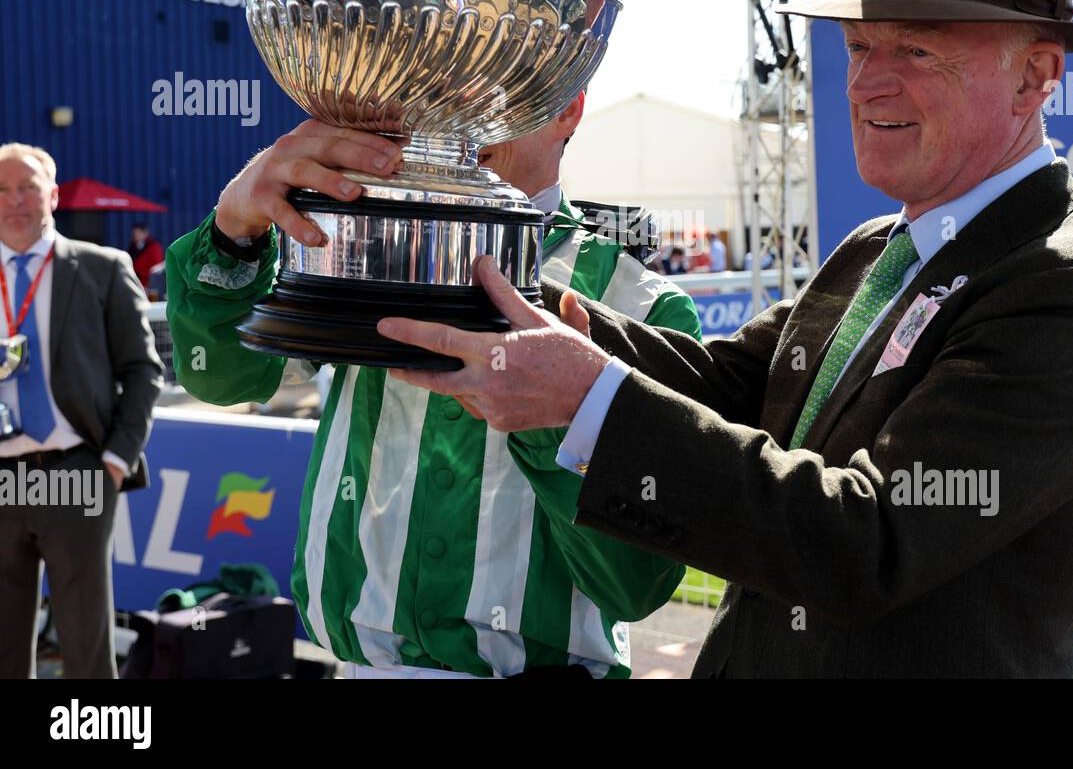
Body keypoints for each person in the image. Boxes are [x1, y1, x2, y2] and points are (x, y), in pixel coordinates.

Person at [376, 0, 1073, 678]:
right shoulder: (880, 247)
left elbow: (869, 542)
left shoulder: (1071, 295)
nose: (866, 83)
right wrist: (475, 285)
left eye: (918, 49)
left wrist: (587, 400)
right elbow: (729, 385)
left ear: (1036, 76)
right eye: (860, 46)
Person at [165, 91, 701, 679]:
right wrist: (233, 228)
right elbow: (221, 376)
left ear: (567, 107)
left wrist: (559, 412)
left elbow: (636, 584)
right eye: (446, 89)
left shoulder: (643, 304)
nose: (457, 116)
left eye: (498, 86)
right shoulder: (361, 242)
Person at [0, 143, 163, 678]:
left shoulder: (102, 268)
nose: (14, 200)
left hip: (76, 471)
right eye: (2, 189)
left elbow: (143, 371)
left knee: (86, 644)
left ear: (53, 194)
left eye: (27, 187)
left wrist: (114, 462)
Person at [127, 222, 164, 290]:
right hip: (135, 282)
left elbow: (157, 267)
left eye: (138, 233)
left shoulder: (153, 246)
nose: (135, 235)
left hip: (149, 285)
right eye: (134, 233)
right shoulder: (132, 246)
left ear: (145, 233)